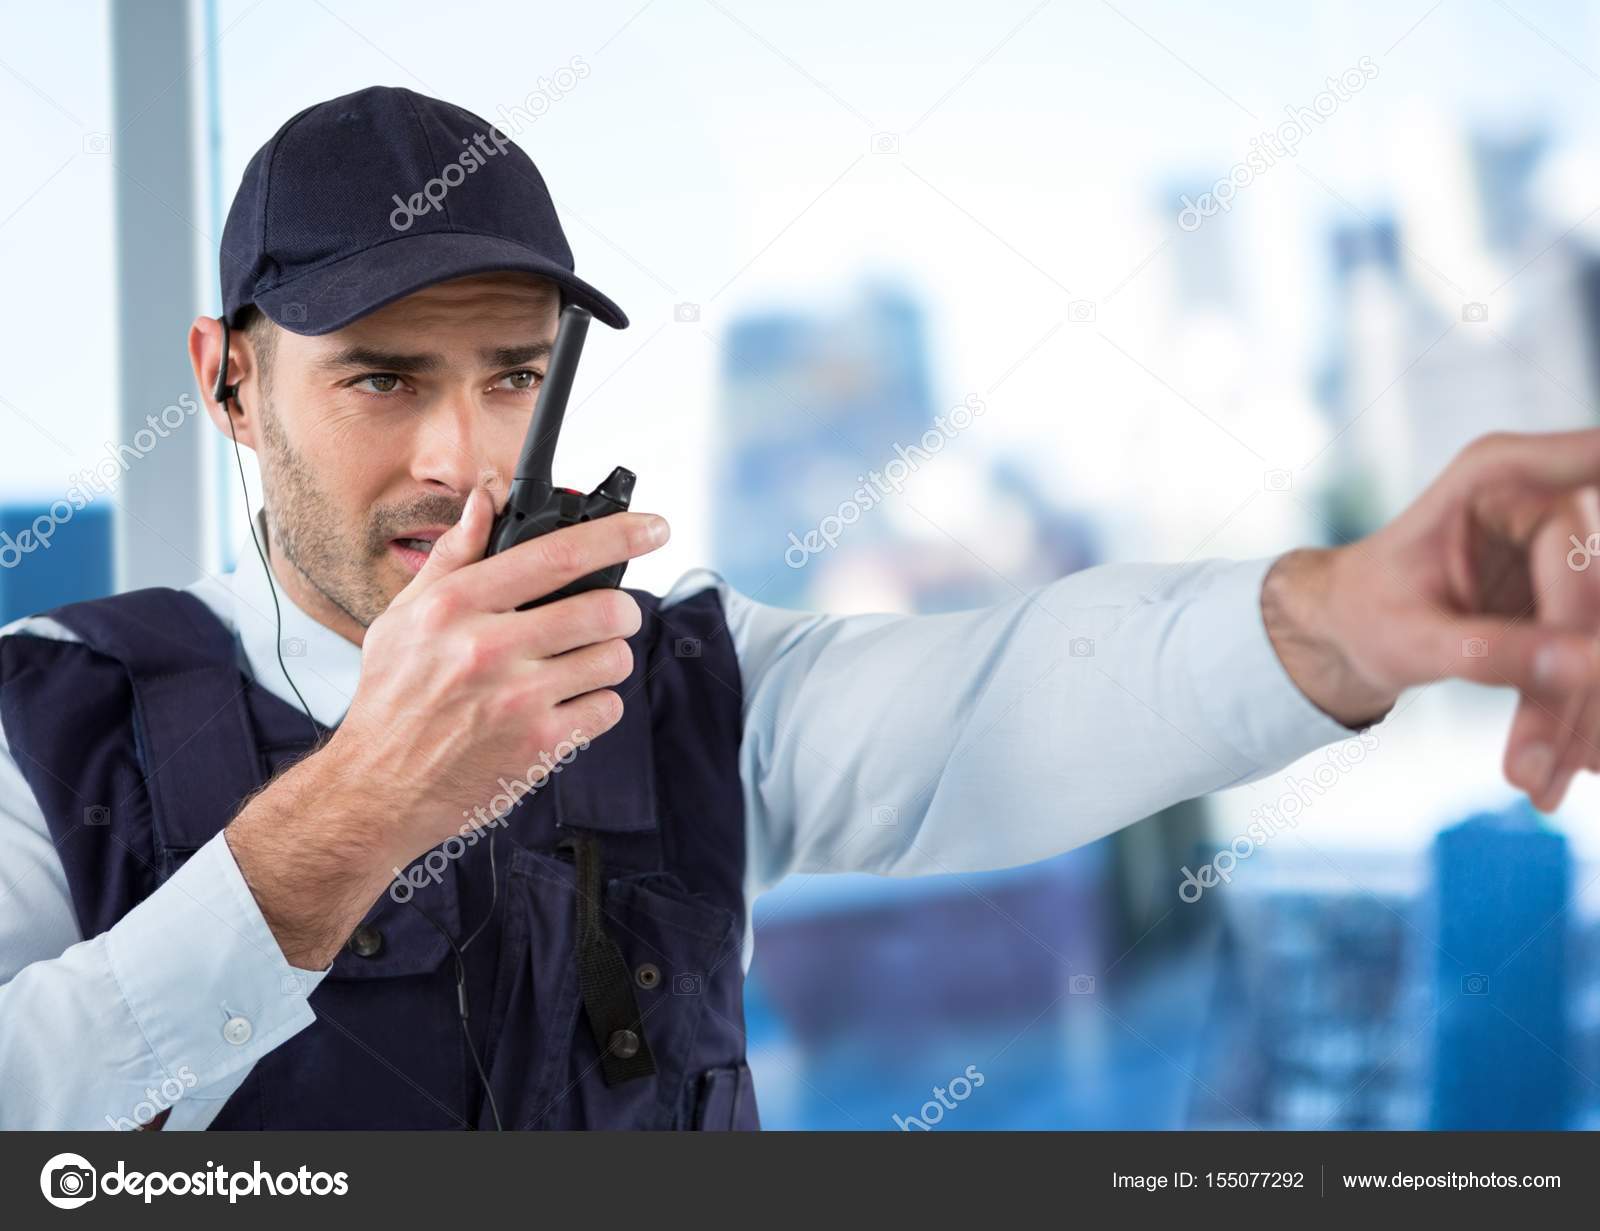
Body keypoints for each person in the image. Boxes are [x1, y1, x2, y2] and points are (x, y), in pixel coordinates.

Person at [3, 86, 1598, 1131]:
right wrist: (362, 806)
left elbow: (1017, 696)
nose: (458, 456)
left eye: (509, 380)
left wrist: (1348, 613)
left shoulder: (676, 675)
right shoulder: (45, 721)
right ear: (224, 380)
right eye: (382, 380)